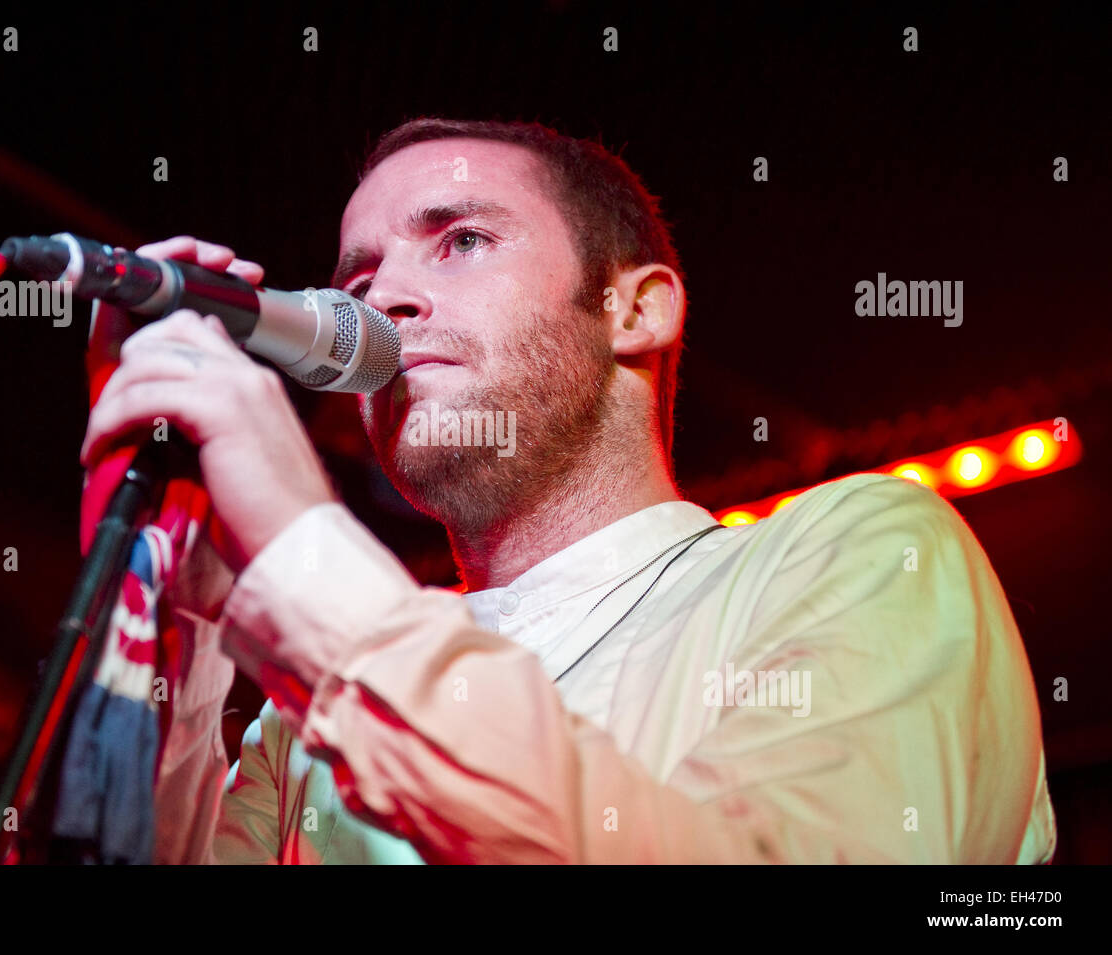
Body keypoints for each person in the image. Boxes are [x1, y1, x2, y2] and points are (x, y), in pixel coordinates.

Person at [80, 118, 1057, 864]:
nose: (381, 300)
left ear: (634, 310)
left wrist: (306, 550)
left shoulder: (857, 549)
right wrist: (182, 619)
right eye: (358, 276)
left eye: (460, 239)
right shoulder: (308, 707)